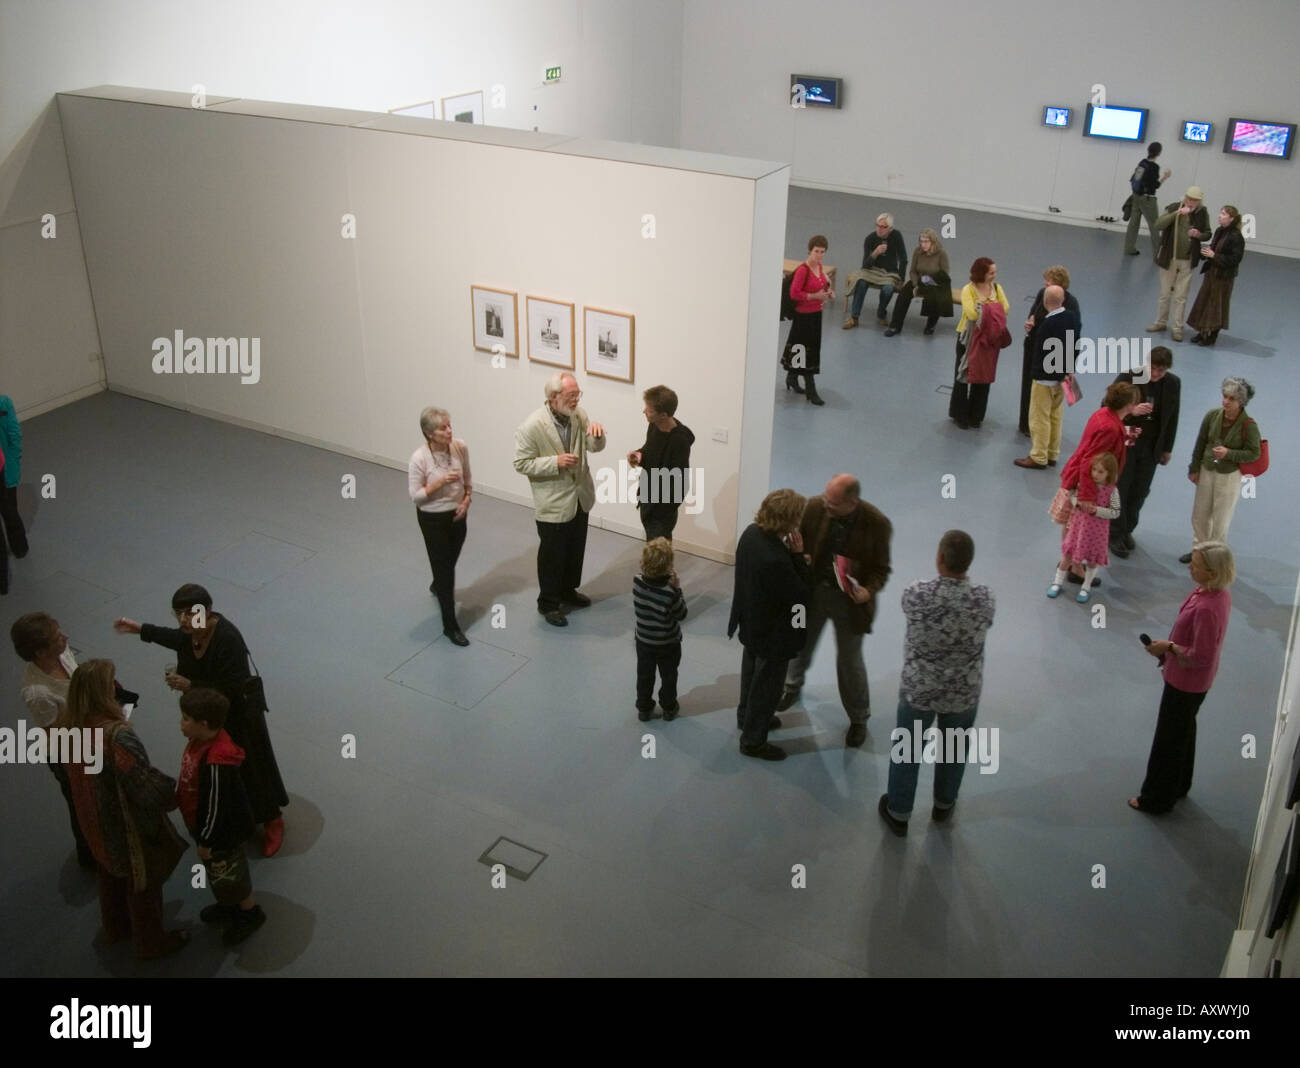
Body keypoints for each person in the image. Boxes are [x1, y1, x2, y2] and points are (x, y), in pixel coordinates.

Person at [114, 583, 289, 856]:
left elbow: (232, 687)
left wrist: (191, 685)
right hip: (207, 720)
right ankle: (236, 817)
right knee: (220, 773)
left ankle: (272, 818)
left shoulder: (227, 639)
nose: (183, 621)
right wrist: (140, 629)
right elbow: (173, 638)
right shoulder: (190, 633)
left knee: (252, 767)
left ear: (206, 611)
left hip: (237, 717)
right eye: (178, 614)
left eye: (190, 613)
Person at [63, 659, 189, 959]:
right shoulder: (115, 736)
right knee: (143, 883)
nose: (117, 688)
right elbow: (139, 781)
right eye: (111, 684)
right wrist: (176, 793)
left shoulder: (70, 730)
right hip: (124, 823)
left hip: (93, 819)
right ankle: (151, 943)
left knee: (108, 872)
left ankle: (116, 927)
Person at [879, 530, 995, 836]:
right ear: (968, 563)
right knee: (954, 749)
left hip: (920, 690)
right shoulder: (984, 599)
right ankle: (944, 805)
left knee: (908, 749)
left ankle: (899, 812)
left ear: (939, 558)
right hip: (963, 692)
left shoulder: (916, 594)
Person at [776, 475, 892, 748]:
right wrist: (800, 556)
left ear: (852, 502)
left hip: (850, 602)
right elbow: (798, 541)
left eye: (833, 503)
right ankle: (791, 687)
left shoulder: (877, 524)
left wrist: (868, 591)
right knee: (800, 643)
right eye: (825, 499)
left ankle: (858, 717)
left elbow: (881, 569)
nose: (826, 505)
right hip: (814, 593)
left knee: (850, 661)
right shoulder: (815, 507)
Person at [1130, 543, 1234, 814]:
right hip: (1194, 683)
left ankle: (1156, 799)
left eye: (1196, 564)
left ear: (1211, 572)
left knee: (1168, 741)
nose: (1190, 566)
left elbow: (1201, 655)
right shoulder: (1216, 594)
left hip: (1185, 683)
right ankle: (1179, 784)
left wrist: (1170, 648)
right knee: (1183, 732)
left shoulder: (1207, 608)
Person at [514, 372, 607, 625]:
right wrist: (555, 462)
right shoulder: (533, 425)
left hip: (579, 496)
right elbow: (521, 463)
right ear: (554, 397)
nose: (576, 399)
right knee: (552, 555)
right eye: (571, 395)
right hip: (553, 502)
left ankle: (568, 591)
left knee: (575, 549)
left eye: (578, 394)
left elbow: (593, 447)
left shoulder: (579, 416)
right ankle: (548, 603)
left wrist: (597, 436)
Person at [177, 688, 266, 945]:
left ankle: (249, 912)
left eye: (185, 718)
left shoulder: (217, 762)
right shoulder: (201, 741)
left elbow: (215, 806)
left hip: (221, 833)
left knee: (230, 873)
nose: (181, 723)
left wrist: (206, 840)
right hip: (206, 827)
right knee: (219, 873)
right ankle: (228, 905)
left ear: (203, 724)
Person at [728, 489, 811, 761]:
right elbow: (800, 594)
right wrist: (799, 558)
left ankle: (746, 717)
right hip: (773, 634)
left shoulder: (751, 534)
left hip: (751, 622)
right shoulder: (776, 559)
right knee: (767, 687)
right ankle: (753, 740)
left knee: (750, 673)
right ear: (787, 521)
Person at [12, 612, 95, 869]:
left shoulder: (62, 652)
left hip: (87, 734)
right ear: (40, 652)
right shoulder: (37, 692)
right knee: (80, 804)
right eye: (58, 638)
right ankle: (89, 856)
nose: (65, 639)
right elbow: (57, 732)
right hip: (69, 751)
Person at [1058, 382, 1140, 586]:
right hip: (1086, 484)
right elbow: (1091, 461)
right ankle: (1075, 567)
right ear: (1129, 405)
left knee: (1071, 524)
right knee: (1076, 526)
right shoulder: (1111, 429)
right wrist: (1087, 495)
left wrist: (1125, 434)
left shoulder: (1104, 415)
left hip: (1075, 476)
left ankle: (1068, 562)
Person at [1178, 377, 1261, 564]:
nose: (1225, 401)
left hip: (1229, 476)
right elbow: (1200, 442)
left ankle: (1215, 558)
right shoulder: (1212, 415)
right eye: (1224, 396)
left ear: (1241, 402)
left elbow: (1254, 453)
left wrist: (1229, 453)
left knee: (1221, 519)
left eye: (1231, 398)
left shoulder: (1249, 425)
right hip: (1207, 469)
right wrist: (1194, 467)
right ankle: (1198, 551)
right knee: (1199, 515)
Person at [409, 406, 472, 646]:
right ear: (429, 434)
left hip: (457, 515)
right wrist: (439, 483)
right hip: (432, 518)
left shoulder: (460, 447)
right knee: (446, 570)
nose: (449, 431)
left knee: (448, 561)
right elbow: (416, 496)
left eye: (449, 425)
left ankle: (438, 583)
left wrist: (466, 501)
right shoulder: (419, 459)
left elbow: (468, 480)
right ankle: (450, 625)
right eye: (442, 428)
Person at [1110, 347, 1181, 558]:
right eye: (1153, 368)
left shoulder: (1173, 383)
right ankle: (1114, 532)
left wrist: (1167, 448)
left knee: (1140, 490)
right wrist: (1132, 410)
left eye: (1162, 370)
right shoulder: (1129, 377)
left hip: (1151, 447)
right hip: (1128, 444)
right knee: (1121, 487)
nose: (1157, 374)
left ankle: (1127, 528)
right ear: (1146, 363)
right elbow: (1108, 406)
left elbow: (1173, 417)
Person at [1014, 285, 1079, 470]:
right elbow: (1075, 345)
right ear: (1063, 300)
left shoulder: (1047, 325)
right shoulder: (1072, 318)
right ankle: (1052, 453)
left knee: (1039, 418)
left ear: (1044, 301)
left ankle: (1038, 456)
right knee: (1055, 416)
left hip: (1045, 379)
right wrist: (1067, 371)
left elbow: (1040, 352)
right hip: (1063, 378)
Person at [1047, 452, 1120, 604]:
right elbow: (1073, 496)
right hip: (1078, 529)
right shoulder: (1085, 485)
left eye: (1101, 472)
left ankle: (1086, 586)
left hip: (1097, 533)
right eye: (1094, 470)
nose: (1095, 474)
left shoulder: (1112, 491)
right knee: (1067, 556)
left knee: (1092, 560)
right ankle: (1057, 582)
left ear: (1110, 473)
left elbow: (1115, 512)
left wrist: (1097, 510)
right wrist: (1077, 503)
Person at [1018, 267, 1082, 437]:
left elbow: (1074, 336)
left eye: (1049, 281)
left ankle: (1041, 431)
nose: (1045, 284)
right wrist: (1030, 322)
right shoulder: (1042, 293)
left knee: (1049, 398)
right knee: (1028, 387)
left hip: (1053, 357)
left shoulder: (1071, 304)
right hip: (1034, 349)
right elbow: (1033, 314)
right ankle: (1025, 423)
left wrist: (1069, 366)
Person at [949, 258, 1010, 430]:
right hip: (967, 338)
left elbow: (1006, 308)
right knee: (962, 374)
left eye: (994, 272)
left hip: (988, 338)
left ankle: (976, 416)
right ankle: (959, 414)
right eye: (991, 273)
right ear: (981, 273)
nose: (994, 276)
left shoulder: (997, 288)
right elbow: (971, 314)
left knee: (983, 376)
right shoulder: (968, 289)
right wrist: (992, 308)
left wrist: (985, 307)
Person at [628, 385, 695, 541]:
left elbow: (680, 483)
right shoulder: (654, 425)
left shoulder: (679, 441)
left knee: (658, 550)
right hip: (648, 499)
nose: (644, 412)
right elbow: (650, 451)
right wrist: (639, 455)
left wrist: (662, 510)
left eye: (649, 410)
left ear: (663, 415)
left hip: (661, 509)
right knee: (657, 547)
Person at [633, 538, 687, 722]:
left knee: (644, 675)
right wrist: (678, 589)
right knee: (669, 676)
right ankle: (669, 706)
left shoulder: (637, 582)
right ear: (668, 566)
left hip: (643, 640)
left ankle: (644, 707)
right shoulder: (669, 592)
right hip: (667, 643)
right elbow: (681, 614)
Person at [1149, 186, 1210, 343]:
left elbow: (1208, 233)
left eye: (1195, 200)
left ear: (1199, 201)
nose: (1191, 202)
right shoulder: (1174, 207)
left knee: (1181, 296)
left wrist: (1199, 235)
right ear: (1185, 197)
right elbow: (1158, 224)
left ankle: (1177, 328)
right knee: (1164, 294)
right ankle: (1160, 322)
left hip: (1188, 260)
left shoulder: (1202, 213)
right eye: (1189, 199)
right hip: (1170, 258)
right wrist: (1176, 214)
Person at [782, 235, 833, 406]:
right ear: (810, 251)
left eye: (822, 252)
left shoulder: (819, 268)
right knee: (806, 352)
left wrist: (828, 293)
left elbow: (823, 285)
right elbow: (794, 293)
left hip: (816, 315)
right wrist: (814, 296)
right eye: (816, 251)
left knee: (802, 349)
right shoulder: (803, 270)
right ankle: (811, 390)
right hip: (803, 316)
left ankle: (792, 378)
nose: (819, 255)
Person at [1187, 205, 1246, 346]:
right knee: (1205, 302)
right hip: (1211, 273)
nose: (1220, 216)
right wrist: (1207, 253)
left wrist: (1215, 256)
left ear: (1231, 218)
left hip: (1223, 277)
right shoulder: (1219, 231)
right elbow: (1214, 247)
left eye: (1224, 214)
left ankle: (1211, 336)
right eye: (1220, 213)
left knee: (1217, 306)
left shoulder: (1236, 237)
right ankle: (1202, 332)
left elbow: (1235, 259)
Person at [884, 228, 952, 337]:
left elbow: (944, 274)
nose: (923, 244)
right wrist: (916, 285)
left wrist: (931, 282)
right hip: (919, 280)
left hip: (935, 282)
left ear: (933, 241)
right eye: (921, 241)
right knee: (904, 295)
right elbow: (913, 271)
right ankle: (895, 325)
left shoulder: (941, 254)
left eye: (926, 242)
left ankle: (931, 325)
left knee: (935, 295)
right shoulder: (918, 251)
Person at [843, 213, 907, 329]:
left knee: (888, 289)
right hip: (872, 270)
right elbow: (865, 265)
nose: (880, 229)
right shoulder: (870, 239)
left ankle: (881, 313)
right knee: (861, 282)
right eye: (878, 225)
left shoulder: (896, 236)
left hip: (889, 272)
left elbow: (903, 259)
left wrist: (901, 278)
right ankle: (854, 317)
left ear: (890, 229)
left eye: (884, 227)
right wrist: (875, 253)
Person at [1123, 142, 1171, 257]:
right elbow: (1155, 186)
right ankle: (1158, 253)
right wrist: (1165, 177)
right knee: (1155, 225)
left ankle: (1129, 248)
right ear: (1159, 152)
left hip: (1136, 196)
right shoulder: (1154, 167)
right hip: (1148, 199)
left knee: (1133, 223)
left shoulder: (1142, 163)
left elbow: (1134, 178)